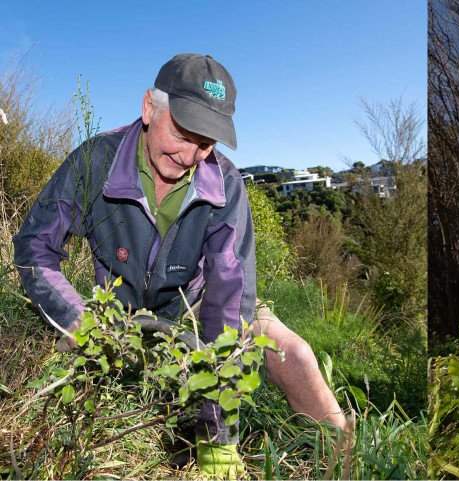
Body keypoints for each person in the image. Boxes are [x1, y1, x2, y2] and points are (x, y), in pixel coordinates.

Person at [13, 53, 347, 477]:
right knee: (56, 387)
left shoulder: (225, 183)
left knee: (296, 354)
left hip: (197, 303)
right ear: (150, 108)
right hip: (115, 314)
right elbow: (33, 248)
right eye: (183, 133)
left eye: (205, 143)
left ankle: (350, 460)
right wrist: (77, 319)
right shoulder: (94, 160)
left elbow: (230, 297)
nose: (190, 156)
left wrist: (218, 436)